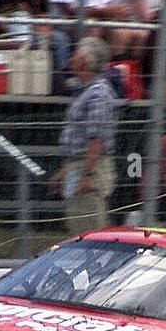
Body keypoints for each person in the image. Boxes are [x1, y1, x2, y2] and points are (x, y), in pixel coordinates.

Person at [57, 36, 119, 234]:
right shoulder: (85, 91)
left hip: (90, 166)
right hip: (80, 165)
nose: (72, 57)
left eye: (76, 53)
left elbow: (96, 139)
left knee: (89, 228)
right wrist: (66, 170)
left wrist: (88, 174)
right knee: (78, 224)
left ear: (85, 61)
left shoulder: (97, 95)